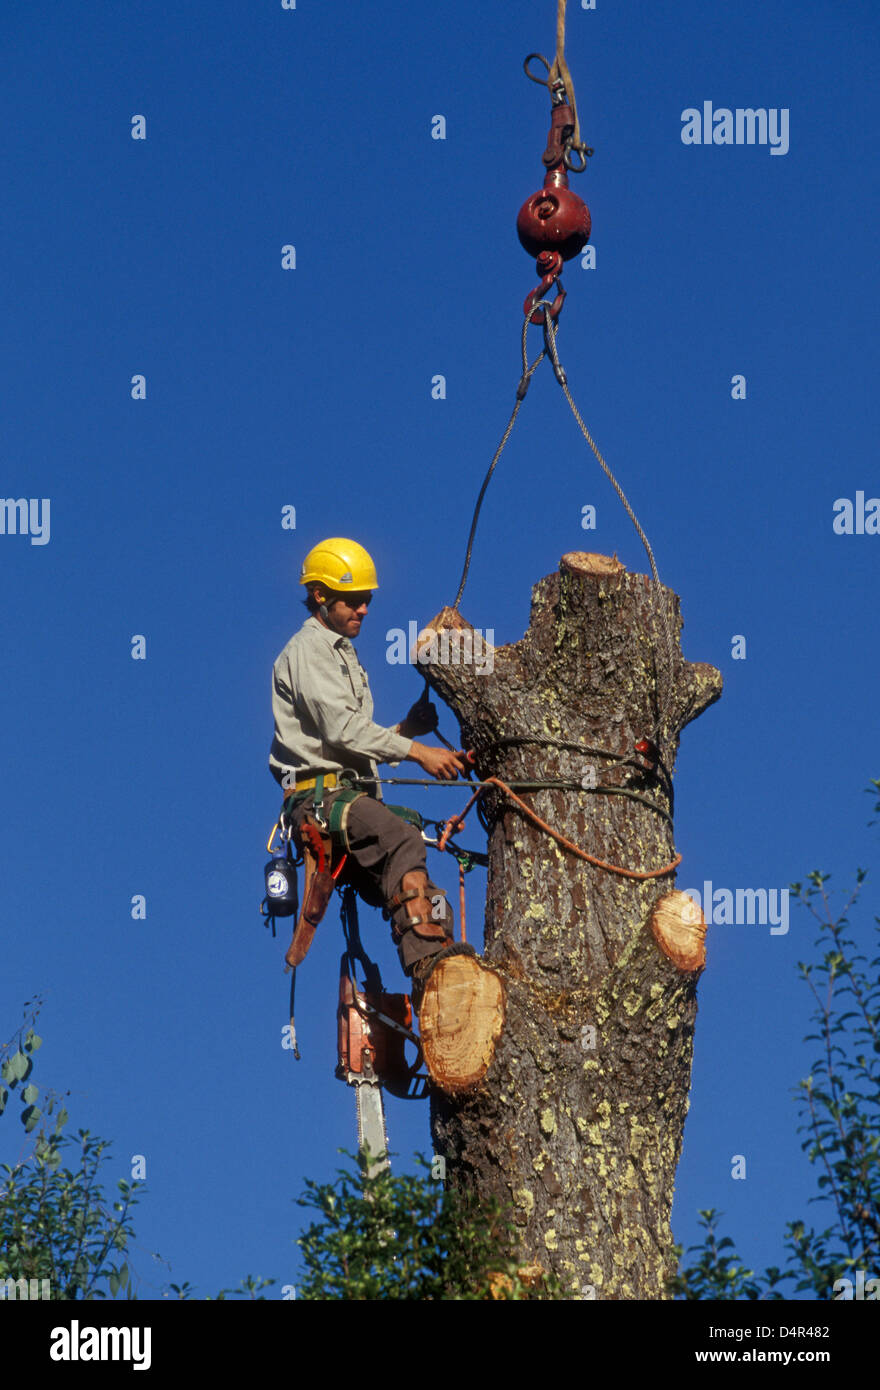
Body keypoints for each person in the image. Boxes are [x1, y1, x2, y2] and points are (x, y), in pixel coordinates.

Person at [269, 537, 470, 997]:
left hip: (346, 792)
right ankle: (429, 970)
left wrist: (408, 730)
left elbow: (348, 742)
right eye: (353, 601)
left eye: (367, 601)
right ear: (320, 596)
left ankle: (448, 989)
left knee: (420, 879)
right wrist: (419, 754)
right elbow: (341, 731)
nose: (363, 610)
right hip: (319, 798)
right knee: (399, 840)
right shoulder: (309, 650)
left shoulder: (341, 653)